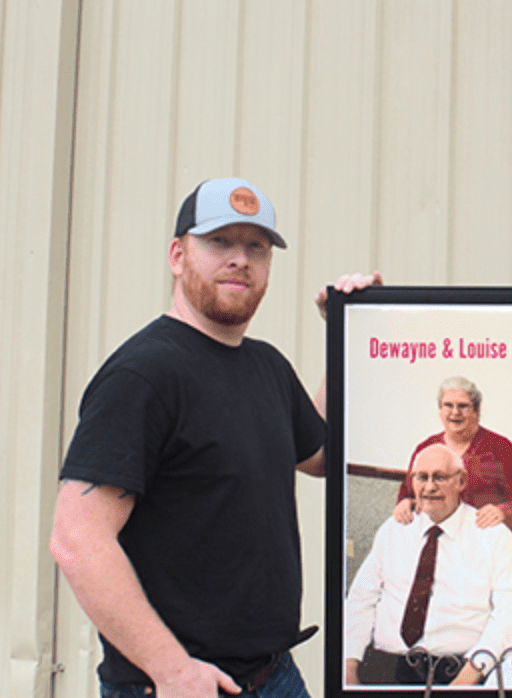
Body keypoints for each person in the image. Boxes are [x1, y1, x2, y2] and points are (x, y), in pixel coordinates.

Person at [49, 176, 379, 698]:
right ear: (178, 255)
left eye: (256, 247)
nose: (240, 260)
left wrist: (347, 329)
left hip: (275, 676)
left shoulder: (266, 367)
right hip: (182, 685)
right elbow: (77, 539)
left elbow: (320, 455)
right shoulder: (144, 375)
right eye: (219, 242)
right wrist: (174, 671)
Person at [346, 444, 512, 686]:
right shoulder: (395, 529)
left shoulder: (492, 536)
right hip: (386, 665)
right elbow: (361, 598)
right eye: (422, 477)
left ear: (461, 481)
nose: (429, 487)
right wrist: (348, 666)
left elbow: (510, 612)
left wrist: (468, 677)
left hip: (457, 669)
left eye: (440, 477)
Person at [392, 377, 512, 566]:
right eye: (448, 405)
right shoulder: (426, 448)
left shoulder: (500, 447)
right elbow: (408, 493)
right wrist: (405, 504)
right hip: (442, 548)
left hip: (487, 547)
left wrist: (502, 512)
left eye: (463, 406)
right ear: (440, 410)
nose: (455, 412)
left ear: (477, 410)